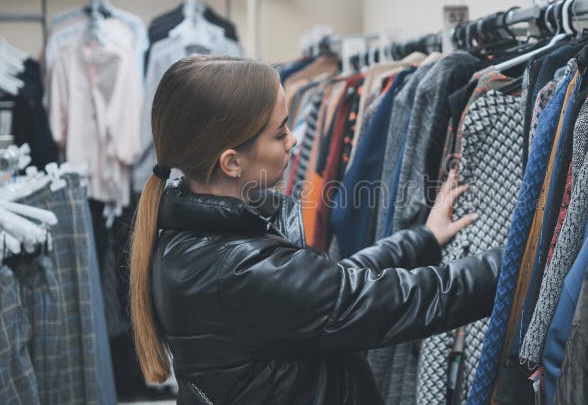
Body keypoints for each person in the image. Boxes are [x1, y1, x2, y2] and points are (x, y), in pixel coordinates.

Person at [129, 55, 503, 404]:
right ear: (232, 162)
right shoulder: (238, 267)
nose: (293, 139)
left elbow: (328, 288)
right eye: (279, 133)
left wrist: (422, 239)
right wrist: (515, 260)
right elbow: (390, 301)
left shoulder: (195, 239)